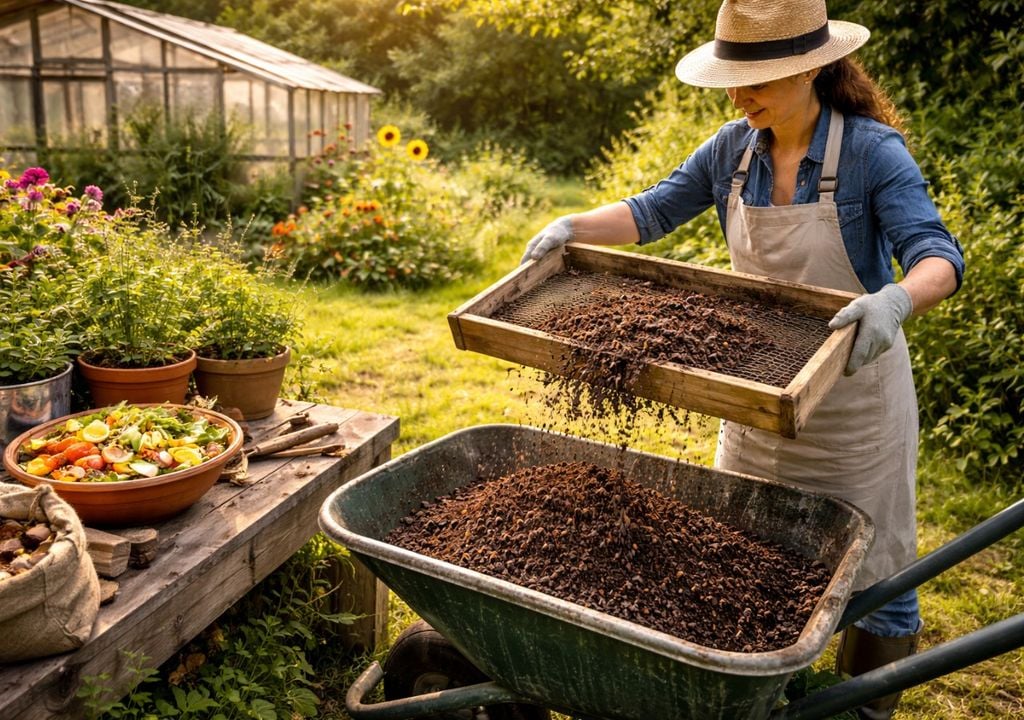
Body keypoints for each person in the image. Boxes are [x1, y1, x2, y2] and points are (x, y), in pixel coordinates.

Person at [521, 1, 964, 717]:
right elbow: (653, 209)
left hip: (854, 403)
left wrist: (895, 301)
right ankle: (767, 685)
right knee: (749, 546)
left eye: (756, 79)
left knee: (879, 575)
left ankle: (864, 706)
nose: (737, 95)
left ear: (811, 69)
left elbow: (937, 256)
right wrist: (572, 225)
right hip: (755, 388)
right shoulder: (735, 148)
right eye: (734, 78)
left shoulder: (874, 154)